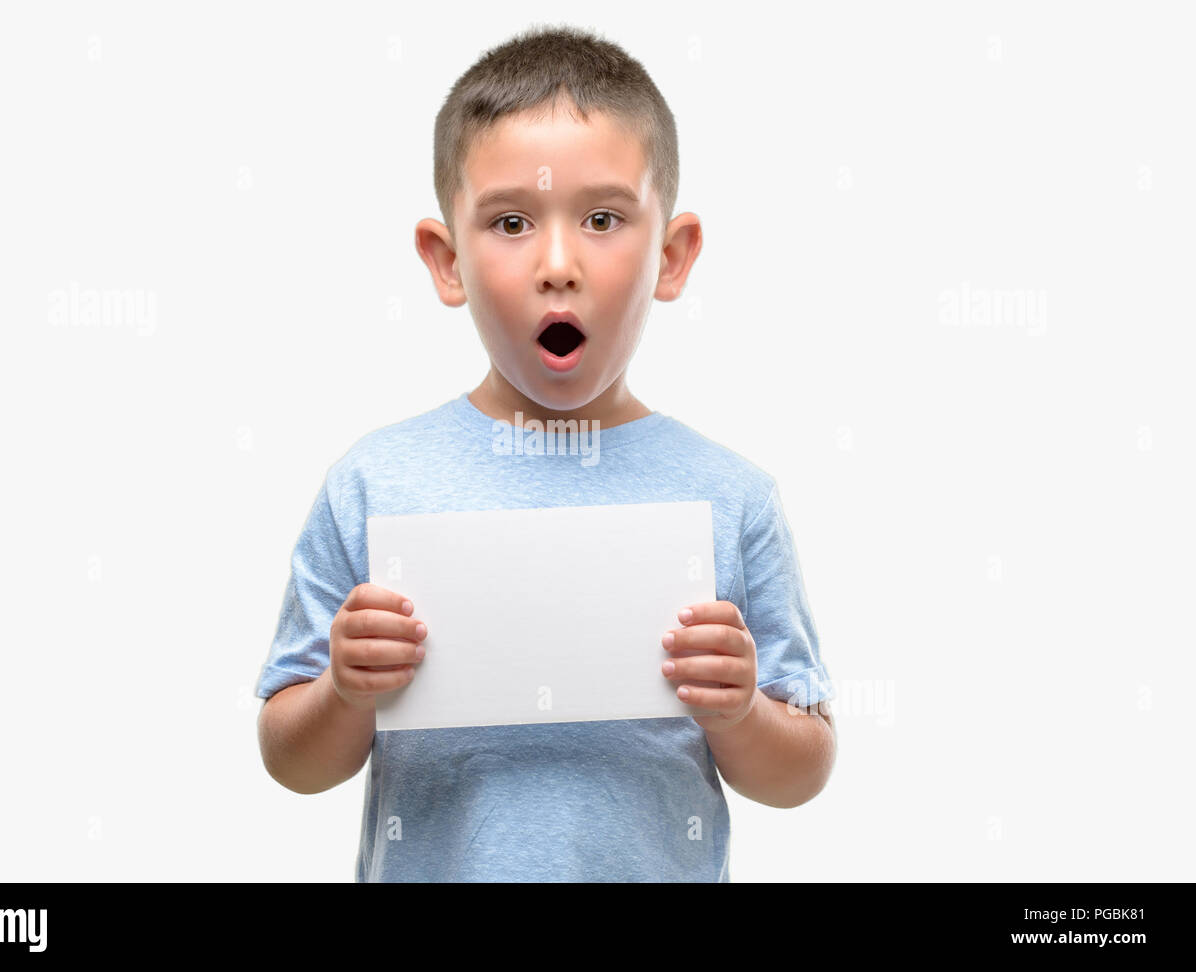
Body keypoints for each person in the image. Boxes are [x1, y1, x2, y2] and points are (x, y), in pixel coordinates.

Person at [254, 23, 835, 882]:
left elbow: (803, 770)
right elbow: (290, 760)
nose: (557, 264)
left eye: (602, 219)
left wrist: (740, 710)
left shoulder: (732, 496)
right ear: (447, 262)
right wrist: (345, 690)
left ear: (671, 257)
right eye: (511, 222)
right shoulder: (372, 485)